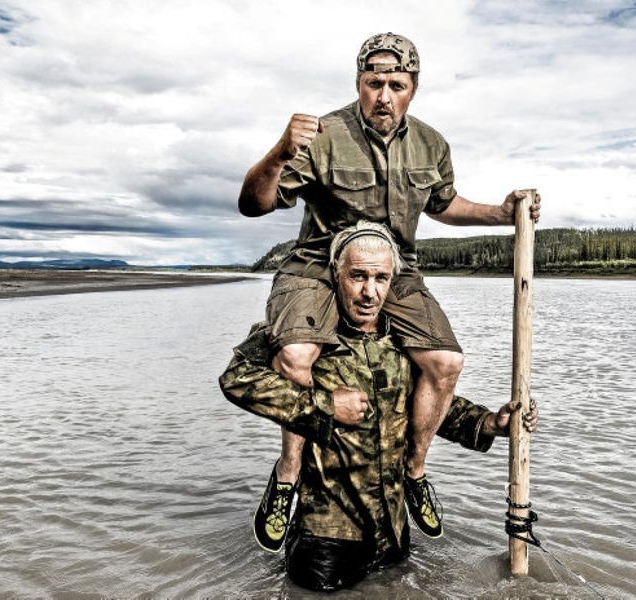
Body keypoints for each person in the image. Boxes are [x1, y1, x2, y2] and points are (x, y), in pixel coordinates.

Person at [237, 31, 542, 546]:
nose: (383, 95)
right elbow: (254, 204)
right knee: (295, 353)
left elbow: (443, 204)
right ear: (358, 82)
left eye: (395, 84)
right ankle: (288, 472)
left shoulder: (431, 143)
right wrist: (280, 151)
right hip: (318, 263)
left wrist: (503, 213)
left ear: (413, 88)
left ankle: (415, 470)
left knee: (446, 363)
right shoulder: (325, 135)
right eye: (372, 82)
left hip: (394, 268)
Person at [220, 222, 538, 591]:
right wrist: (324, 405)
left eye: (381, 279)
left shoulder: (406, 339)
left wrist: (488, 423)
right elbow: (236, 379)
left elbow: (429, 407)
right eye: (357, 277)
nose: (369, 292)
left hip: (393, 531)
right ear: (336, 275)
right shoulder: (303, 334)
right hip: (326, 537)